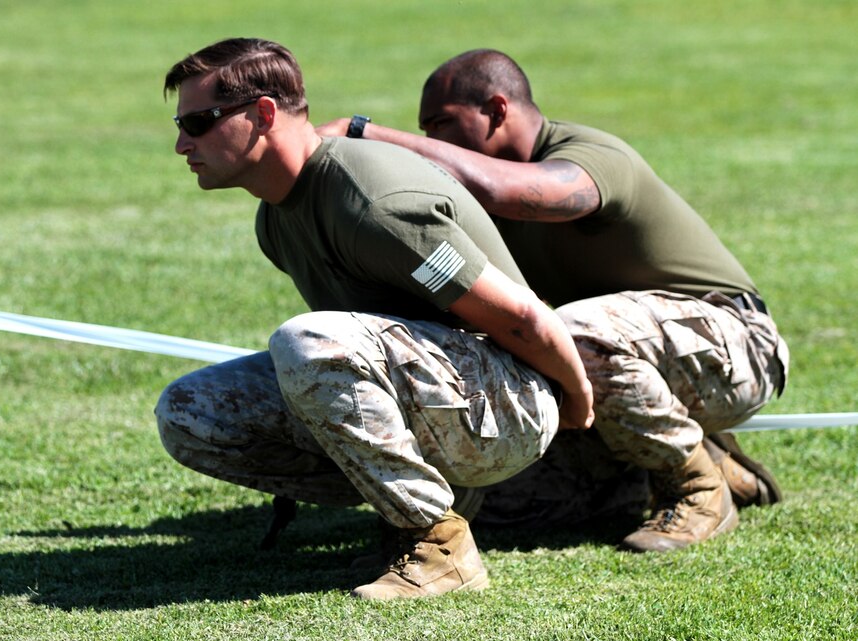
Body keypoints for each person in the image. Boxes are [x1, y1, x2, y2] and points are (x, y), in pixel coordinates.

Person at [154, 38, 594, 600]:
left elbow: (519, 318)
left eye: (198, 121)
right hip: (449, 395)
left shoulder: (372, 202)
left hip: (510, 406)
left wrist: (577, 400)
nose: (180, 143)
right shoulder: (275, 221)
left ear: (264, 114)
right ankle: (413, 508)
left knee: (307, 340)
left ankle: (440, 545)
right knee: (188, 412)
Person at [318, 49, 790, 552]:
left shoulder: (592, 155)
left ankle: (698, 486)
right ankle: (688, 467)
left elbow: (509, 191)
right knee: (492, 502)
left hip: (737, 345)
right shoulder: (477, 204)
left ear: (497, 111)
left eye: (441, 124)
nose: (433, 142)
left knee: (571, 330)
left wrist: (366, 133)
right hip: (618, 367)